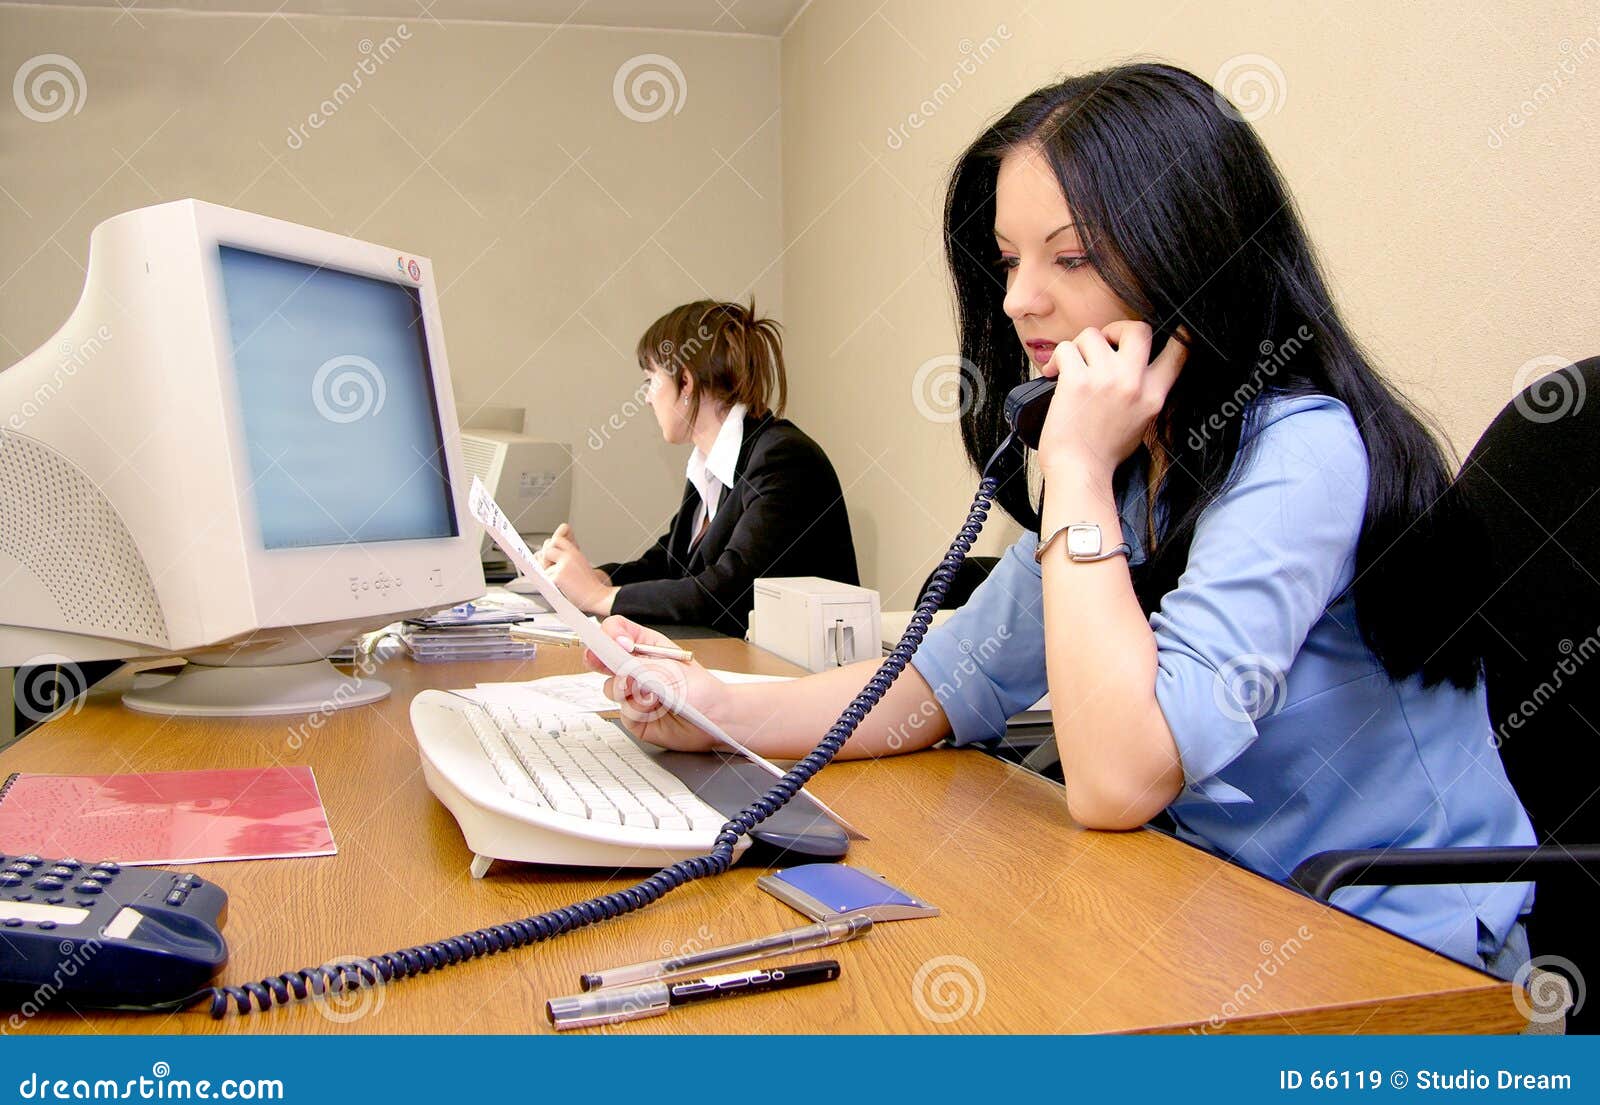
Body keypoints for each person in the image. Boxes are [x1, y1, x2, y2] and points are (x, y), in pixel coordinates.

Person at [582, 65, 1536, 978]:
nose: (1016, 299)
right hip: (1216, 906)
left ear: (1191, 253)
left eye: (1069, 256)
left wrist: (1073, 465)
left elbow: (1118, 780)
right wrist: (708, 708)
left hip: (1394, 951)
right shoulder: (1137, 466)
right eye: (1008, 259)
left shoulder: (1301, 449)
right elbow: (944, 683)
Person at [537, 299, 858, 637]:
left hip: (796, 676)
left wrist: (598, 596)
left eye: (651, 380)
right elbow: (669, 565)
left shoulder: (784, 460)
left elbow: (725, 593)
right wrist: (598, 578)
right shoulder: (711, 465)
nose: (647, 397)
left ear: (686, 382)